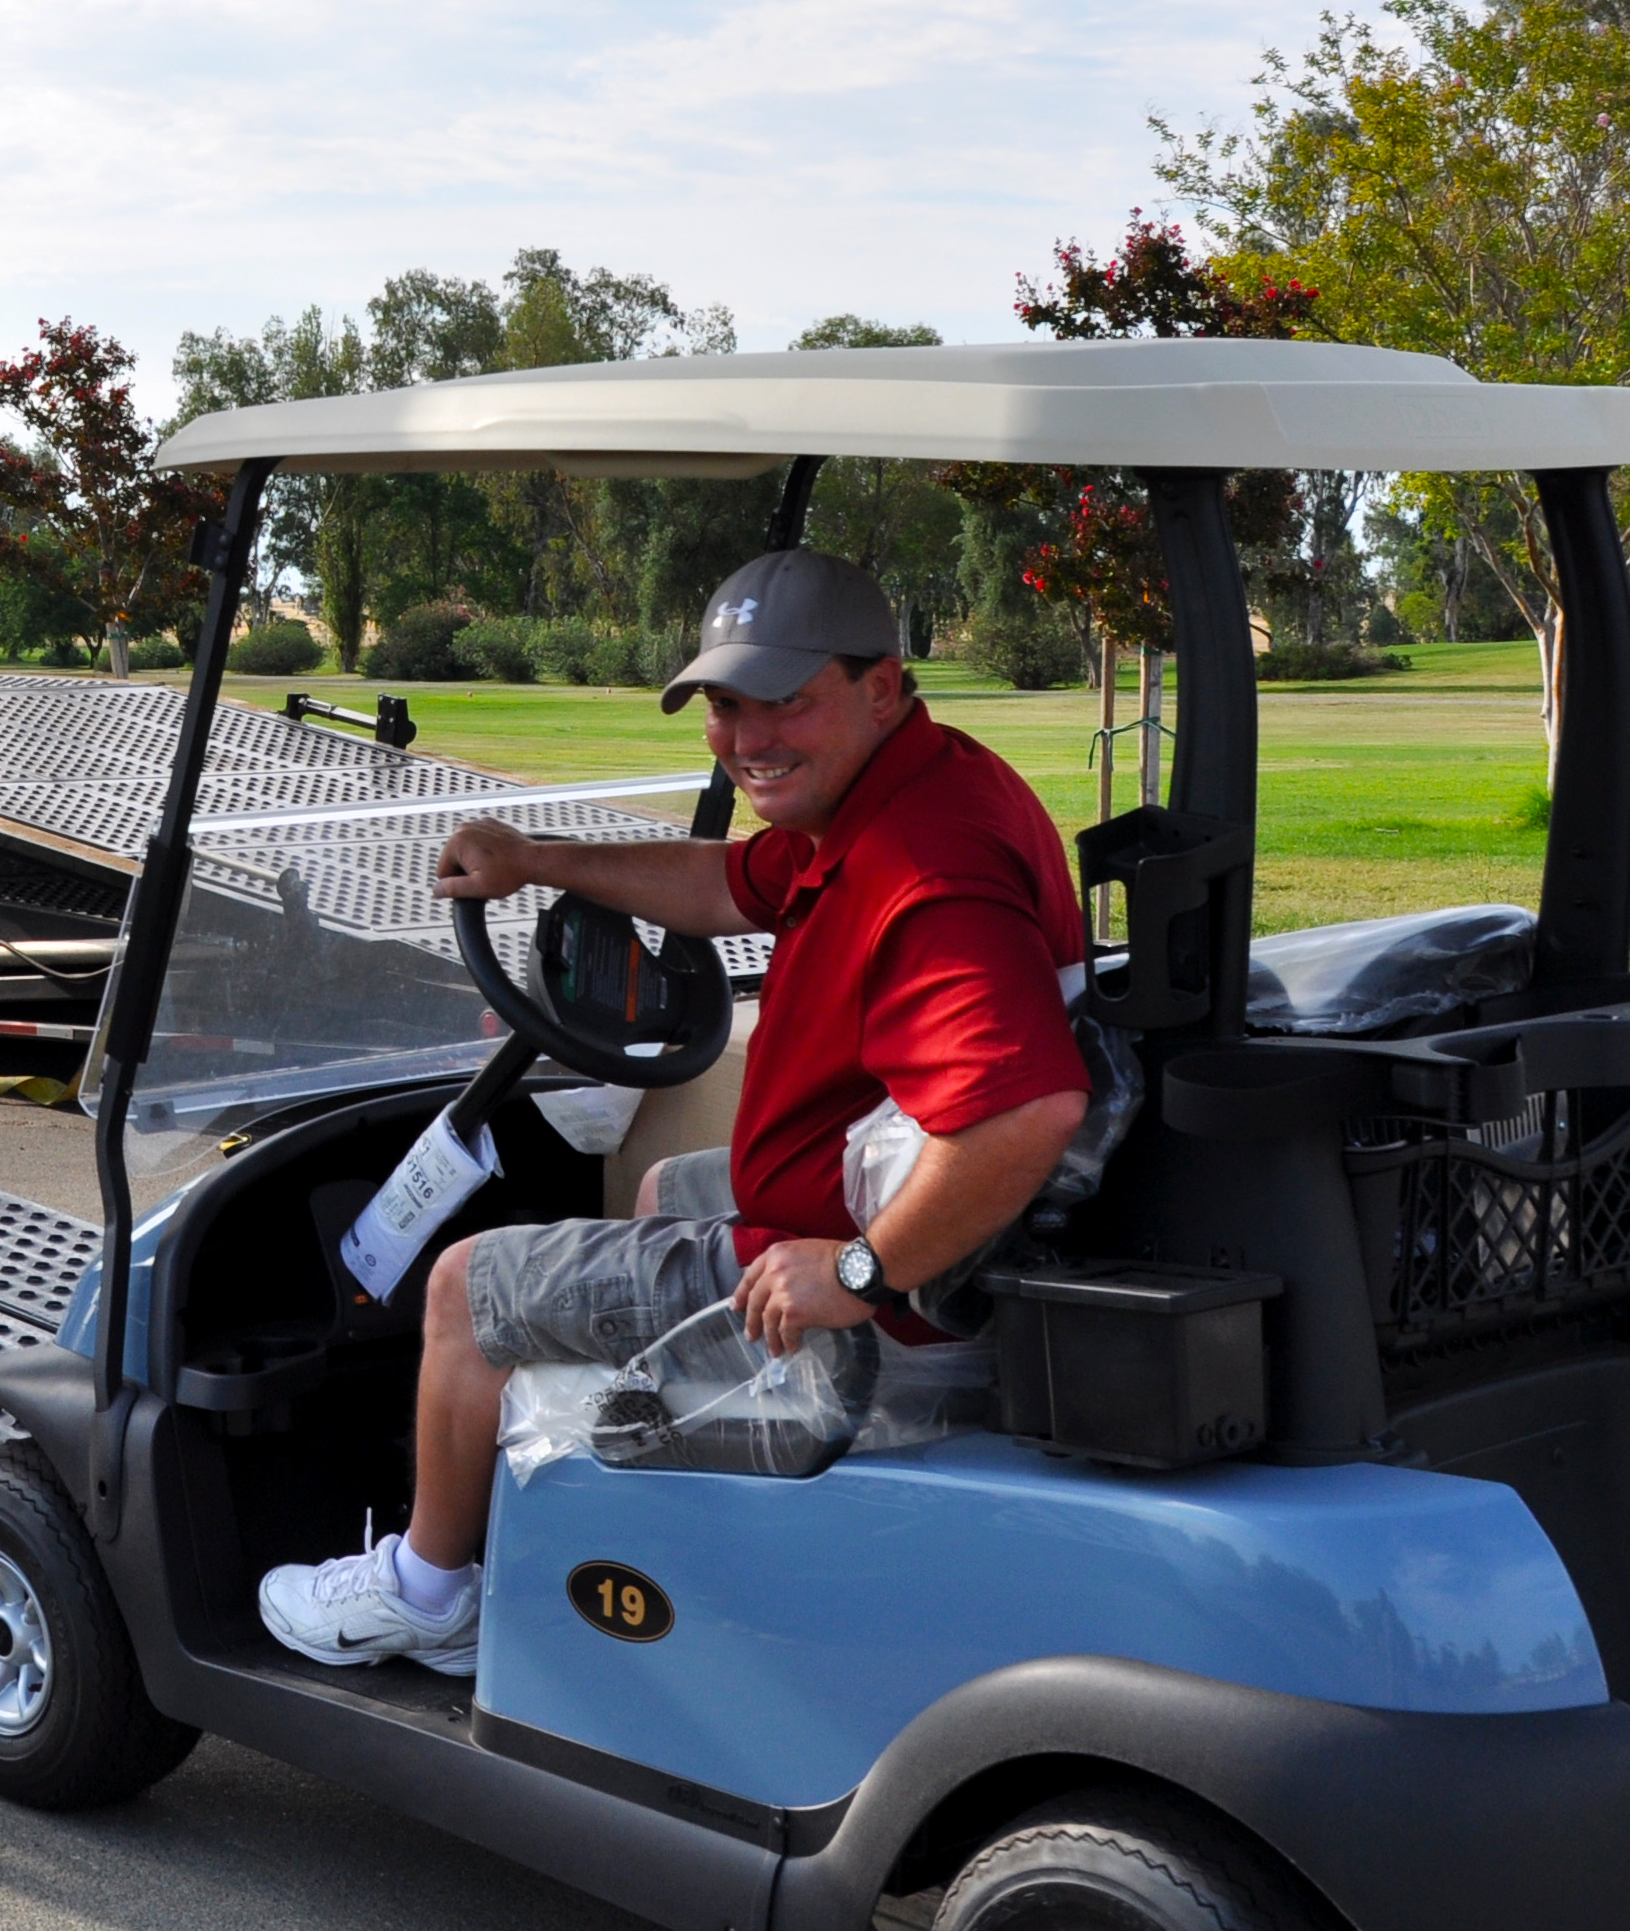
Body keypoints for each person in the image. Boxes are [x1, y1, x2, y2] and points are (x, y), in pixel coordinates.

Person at [258, 547, 1091, 1676]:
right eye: (724, 705)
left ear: (882, 685)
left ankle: (429, 1589)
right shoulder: (893, 788)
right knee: (658, 1188)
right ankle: (613, 1528)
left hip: (887, 1318)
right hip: (883, 1226)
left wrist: (856, 1274)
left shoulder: (926, 871)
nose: (747, 738)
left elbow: (1026, 1110)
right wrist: (531, 859)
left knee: (460, 1292)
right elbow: (724, 887)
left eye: (783, 700)